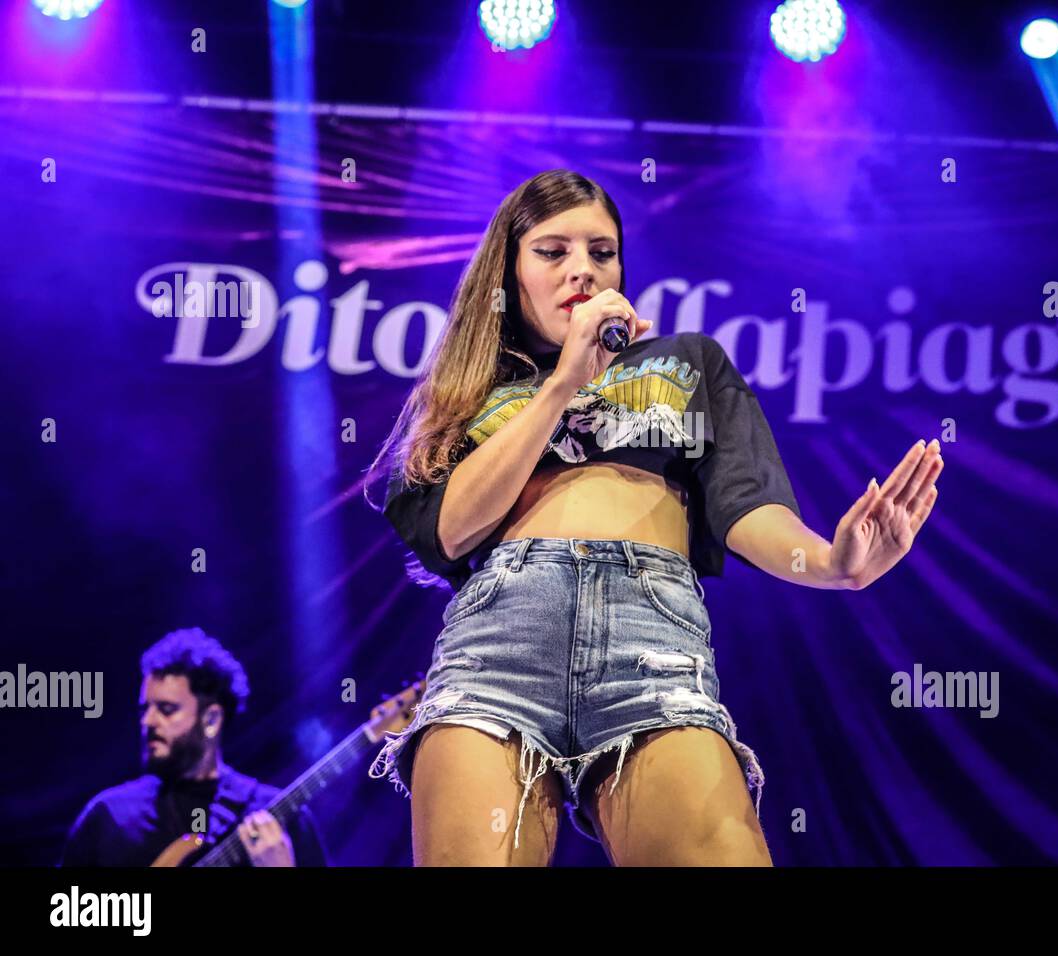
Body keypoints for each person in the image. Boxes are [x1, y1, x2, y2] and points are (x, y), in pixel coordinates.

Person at [365, 168, 943, 867]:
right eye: (553, 252)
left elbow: (744, 502)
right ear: (508, 273)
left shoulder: (688, 362)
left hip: (653, 645)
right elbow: (452, 530)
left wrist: (830, 565)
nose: (582, 269)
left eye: (601, 252)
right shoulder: (472, 392)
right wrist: (562, 386)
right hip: (501, 643)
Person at [61, 628, 328, 867]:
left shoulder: (280, 819)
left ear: (211, 720)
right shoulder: (110, 817)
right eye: (146, 709)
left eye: (167, 710)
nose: (148, 721)